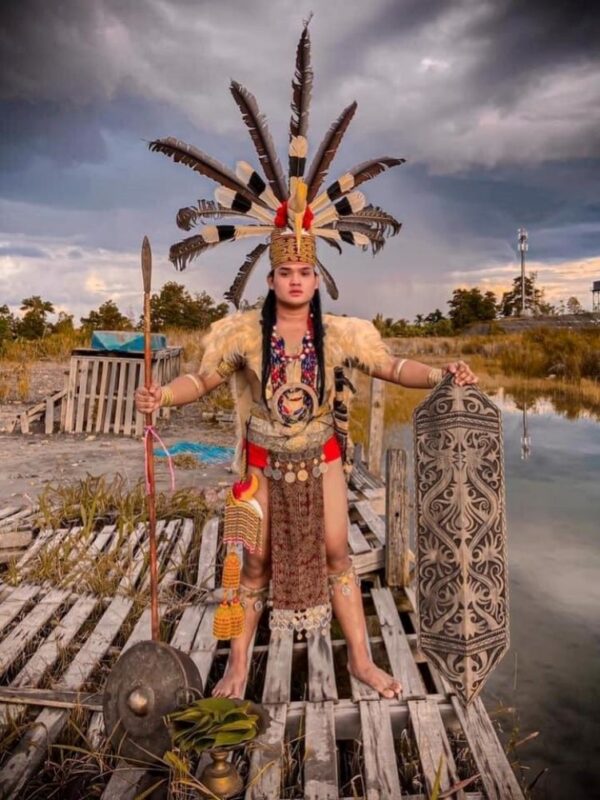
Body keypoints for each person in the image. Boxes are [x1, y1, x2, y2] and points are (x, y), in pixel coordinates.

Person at [136, 21, 478, 699]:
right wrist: (164, 400)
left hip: (319, 454)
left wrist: (442, 373)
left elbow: (391, 369)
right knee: (255, 557)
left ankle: (360, 659)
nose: (295, 278)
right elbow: (202, 380)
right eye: (284, 270)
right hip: (260, 457)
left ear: (317, 277)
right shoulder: (239, 332)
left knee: (337, 551)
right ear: (269, 278)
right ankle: (237, 666)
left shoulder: (345, 333)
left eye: (305, 271)